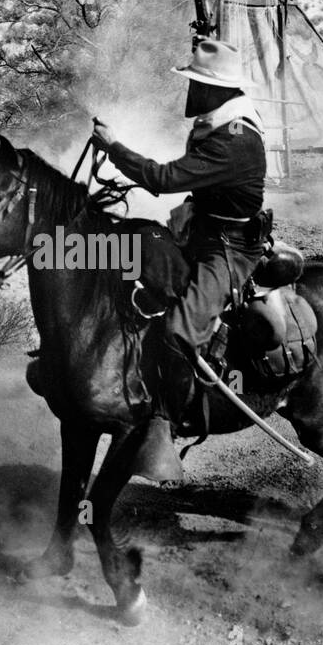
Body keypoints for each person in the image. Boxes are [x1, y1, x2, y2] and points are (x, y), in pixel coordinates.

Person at [91, 39, 268, 481]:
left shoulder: (233, 140)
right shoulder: (219, 124)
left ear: (217, 90)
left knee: (177, 329)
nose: (191, 90)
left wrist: (114, 147)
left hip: (228, 249)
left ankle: (163, 426)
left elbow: (164, 178)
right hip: (201, 231)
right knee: (132, 266)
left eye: (197, 82)